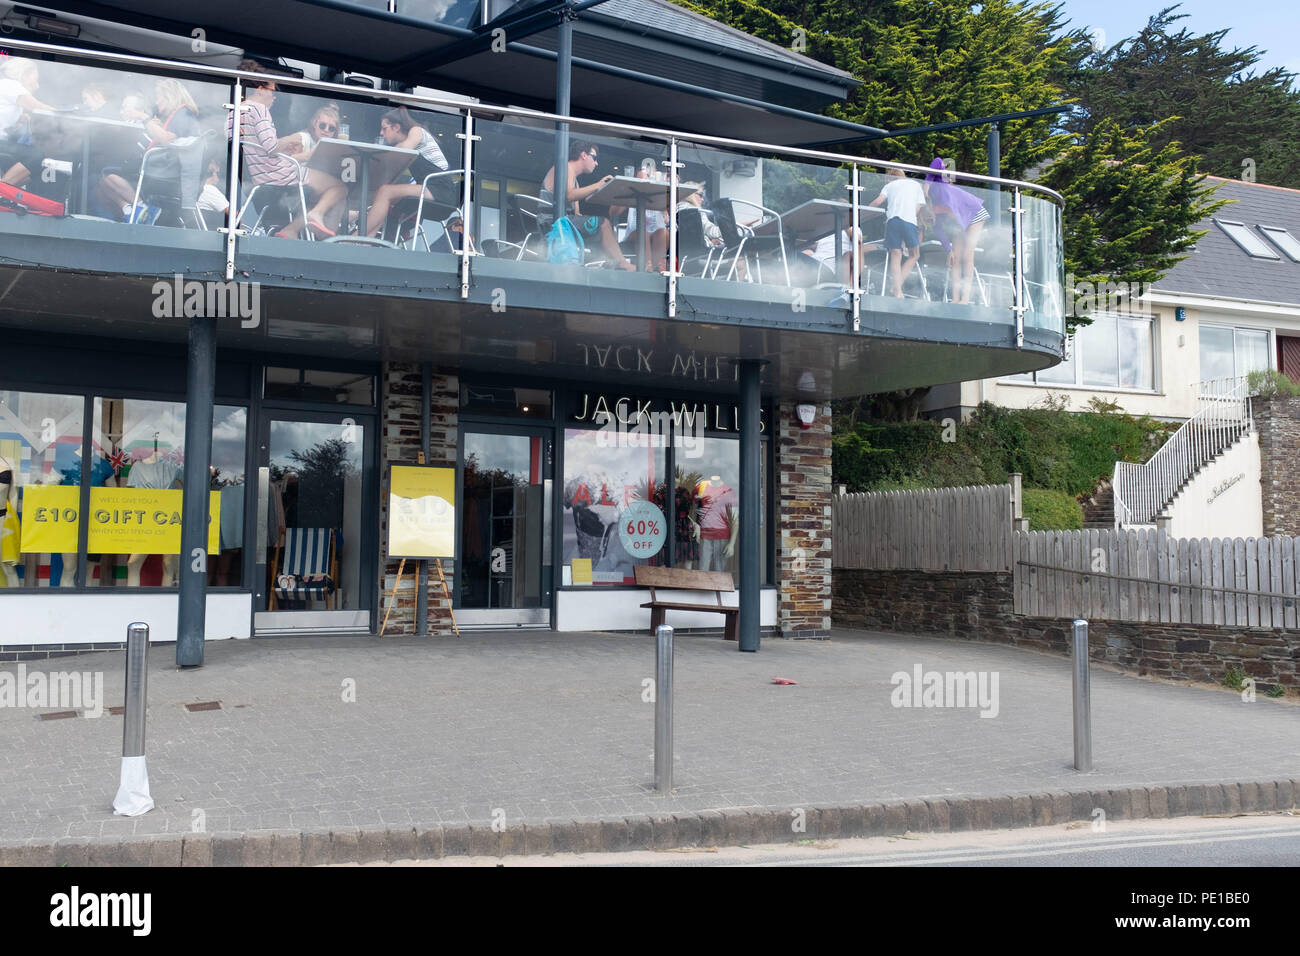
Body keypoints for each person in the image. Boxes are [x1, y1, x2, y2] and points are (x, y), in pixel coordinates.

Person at [228, 59, 347, 239]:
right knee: (339, 187)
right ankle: (312, 226)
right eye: (273, 91)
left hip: (258, 175)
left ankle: (300, 227)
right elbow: (270, 146)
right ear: (261, 90)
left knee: (321, 196)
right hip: (278, 174)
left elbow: (250, 149)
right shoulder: (260, 109)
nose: (275, 97)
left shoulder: (233, 112)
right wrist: (288, 142)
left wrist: (284, 149)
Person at [93, 77, 201, 222]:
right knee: (100, 189)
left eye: (158, 97)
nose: (156, 102)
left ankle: (145, 210)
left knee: (109, 176)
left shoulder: (183, 113)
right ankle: (132, 213)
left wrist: (144, 118)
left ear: (169, 96)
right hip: (162, 171)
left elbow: (166, 139)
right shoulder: (180, 116)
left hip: (166, 174)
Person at [540, 140, 635, 271]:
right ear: (584, 155)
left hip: (565, 223)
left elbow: (577, 214)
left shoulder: (574, 179)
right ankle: (622, 263)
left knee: (600, 225)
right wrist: (598, 185)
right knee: (603, 223)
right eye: (594, 158)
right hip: (555, 223)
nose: (596, 163)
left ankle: (608, 263)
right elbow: (570, 195)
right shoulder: (564, 167)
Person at [362, 107, 450, 239]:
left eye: (384, 128)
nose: (381, 133)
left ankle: (358, 236)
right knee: (382, 195)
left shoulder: (416, 130)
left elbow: (403, 149)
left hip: (440, 188)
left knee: (385, 192)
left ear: (396, 127)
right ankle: (366, 240)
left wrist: (381, 150)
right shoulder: (409, 142)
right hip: (432, 188)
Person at [924, 157, 990, 305]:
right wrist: (949, 250)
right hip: (959, 223)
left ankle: (965, 298)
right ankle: (955, 298)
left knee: (967, 256)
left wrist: (926, 186)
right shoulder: (935, 218)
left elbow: (937, 161)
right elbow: (940, 231)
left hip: (975, 214)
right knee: (955, 259)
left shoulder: (938, 191)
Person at [869, 167, 927, 297]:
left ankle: (897, 290)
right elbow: (918, 207)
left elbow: (878, 201)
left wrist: (862, 210)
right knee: (914, 255)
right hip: (909, 221)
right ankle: (897, 287)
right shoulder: (916, 185)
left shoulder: (890, 185)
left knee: (896, 254)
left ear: (889, 178)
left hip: (892, 221)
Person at [0, 57, 56, 187]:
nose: (36, 84)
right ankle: (3, 191)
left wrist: (21, 119)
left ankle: (6, 189)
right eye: (35, 79)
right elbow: (37, 106)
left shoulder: (6, 86)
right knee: (36, 154)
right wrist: (63, 112)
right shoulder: (11, 85)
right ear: (25, 74)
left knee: (33, 169)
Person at [623, 158, 669, 271]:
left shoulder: (658, 191)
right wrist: (628, 190)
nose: (643, 183)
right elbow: (613, 212)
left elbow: (667, 218)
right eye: (639, 181)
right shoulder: (631, 191)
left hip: (655, 232)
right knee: (643, 233)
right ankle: (647, 269)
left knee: (664, 233)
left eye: (647, 177)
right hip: (634, 232)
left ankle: (651, 268)